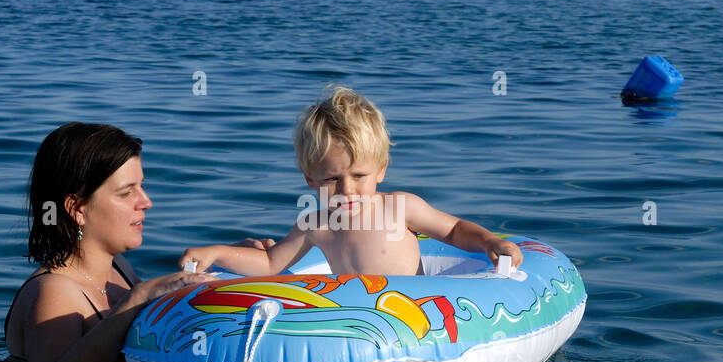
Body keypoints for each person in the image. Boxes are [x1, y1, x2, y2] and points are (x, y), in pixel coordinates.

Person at [179, 86, 523, 278]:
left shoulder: (399, 209)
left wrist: (490, 242)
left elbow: (452, 230)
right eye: (332, 178)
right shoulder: (316, 224)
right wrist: (218, 253)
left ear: (381, 170)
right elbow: (271, 265)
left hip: (416, 314)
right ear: (309, 179)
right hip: (359, 322)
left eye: (359, 176)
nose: (347, 190)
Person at [4, 122, 241, 362]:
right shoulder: (55, 290)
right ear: (77, 208)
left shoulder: (119, 268)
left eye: (142, 186)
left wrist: (229, 259)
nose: (146, 201)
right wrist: (137, 298)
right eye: (126, 192)